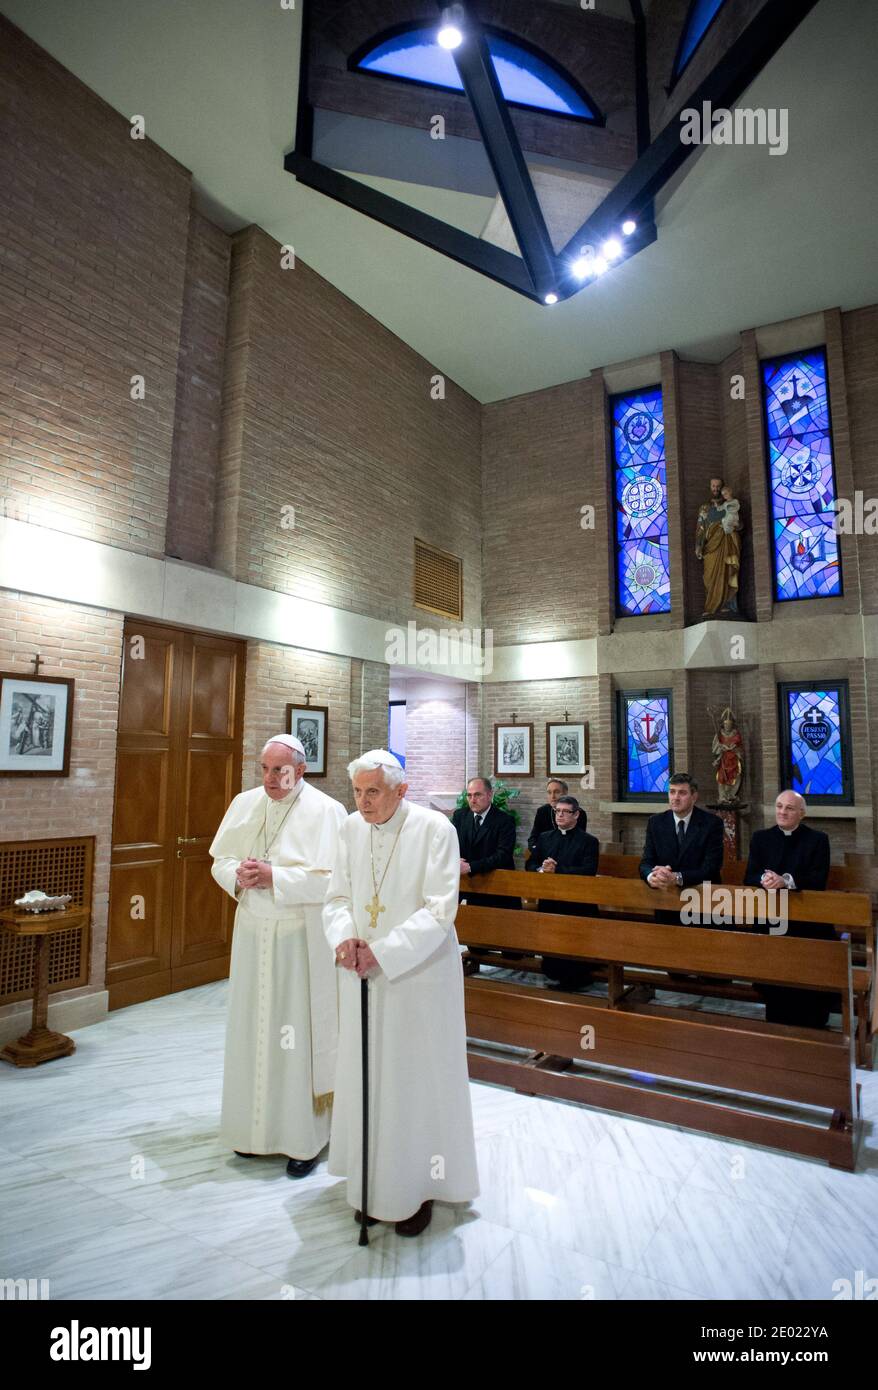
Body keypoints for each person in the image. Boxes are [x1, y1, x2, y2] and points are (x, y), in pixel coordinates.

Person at [323, 750, 479, 1236]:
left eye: (373, 792)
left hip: (418, 976)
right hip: (362, 973)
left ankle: (418, 1188)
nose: (363, 802)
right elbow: (337, 897)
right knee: (368, 1076)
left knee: (413, 1082)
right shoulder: (350, 828)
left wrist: (384, 952)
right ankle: (371, 1183)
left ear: (401, 790)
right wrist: (344, 937)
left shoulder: (436, 831)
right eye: (357, 792)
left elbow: (439, 911)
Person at [210, 735, 347, 1176]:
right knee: (252, 1031)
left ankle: (303, 1140)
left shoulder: (326, 812)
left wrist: (276, 877)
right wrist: (240, 875)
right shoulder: (246, 802)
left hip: (297, 938)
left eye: (280, 770)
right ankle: (253, 1132)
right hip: (252, 932)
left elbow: (334, 883)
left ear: (301, 771)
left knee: (294, 1036)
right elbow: (219, 859)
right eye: (265, 769)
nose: (270, 778)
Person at [745, 790, 836, 1027]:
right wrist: (764, 880)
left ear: (802, 814)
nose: (782, 812)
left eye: (789, 808)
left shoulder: (817, 840)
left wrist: (786, 881)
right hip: (772, 920)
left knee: (808, 969)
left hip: (806, 921)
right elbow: (750, 876)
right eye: (779, 806)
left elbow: (818, 879)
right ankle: (777, 1019)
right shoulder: (760, 838)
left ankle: (812, 1021)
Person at [526, 795, 599, 990]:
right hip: (550, 899)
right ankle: (554, 973)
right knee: (551, 945)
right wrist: (541, 869)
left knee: (574, 944)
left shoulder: (589, 841)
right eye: (557, 811)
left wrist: (558, 870)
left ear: (576, 815)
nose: (560, 815)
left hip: (577, 904)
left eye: (565, 812)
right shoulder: (545, 837)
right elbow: (530, 864)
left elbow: (588, 870)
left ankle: (577, 978)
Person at [640, 773, 724, 890]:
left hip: (700, 897)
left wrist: (677, 878)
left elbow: (711, 868)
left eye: (682, 793)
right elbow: (646, 862)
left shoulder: (712, 824)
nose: (675, 798)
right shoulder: (655, 822)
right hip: (664, 897)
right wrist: (651, 876)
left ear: (694, 797)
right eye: (672, 792)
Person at [695, 475, 742, 615]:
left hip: (726, 543)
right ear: (710, 488)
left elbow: (740, 524)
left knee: (727, 571)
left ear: (723, 488)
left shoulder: (731, 504)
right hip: (711, 547)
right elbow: (700, 528)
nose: (715, 489)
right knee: (709, 576)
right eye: (713, 486)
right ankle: (711, 606)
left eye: (718, 486)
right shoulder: (705, 508)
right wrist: (698, 545)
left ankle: (727, 605)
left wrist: (734, 524)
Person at [527, 778, 569, 853]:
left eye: (556, 792)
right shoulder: (542, 811)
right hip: (544, 855)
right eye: (549, 792)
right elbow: (533, 838)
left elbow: (577, 841)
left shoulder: (577, 813)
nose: (552, 796)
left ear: (565, 793)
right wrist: (536, 850)